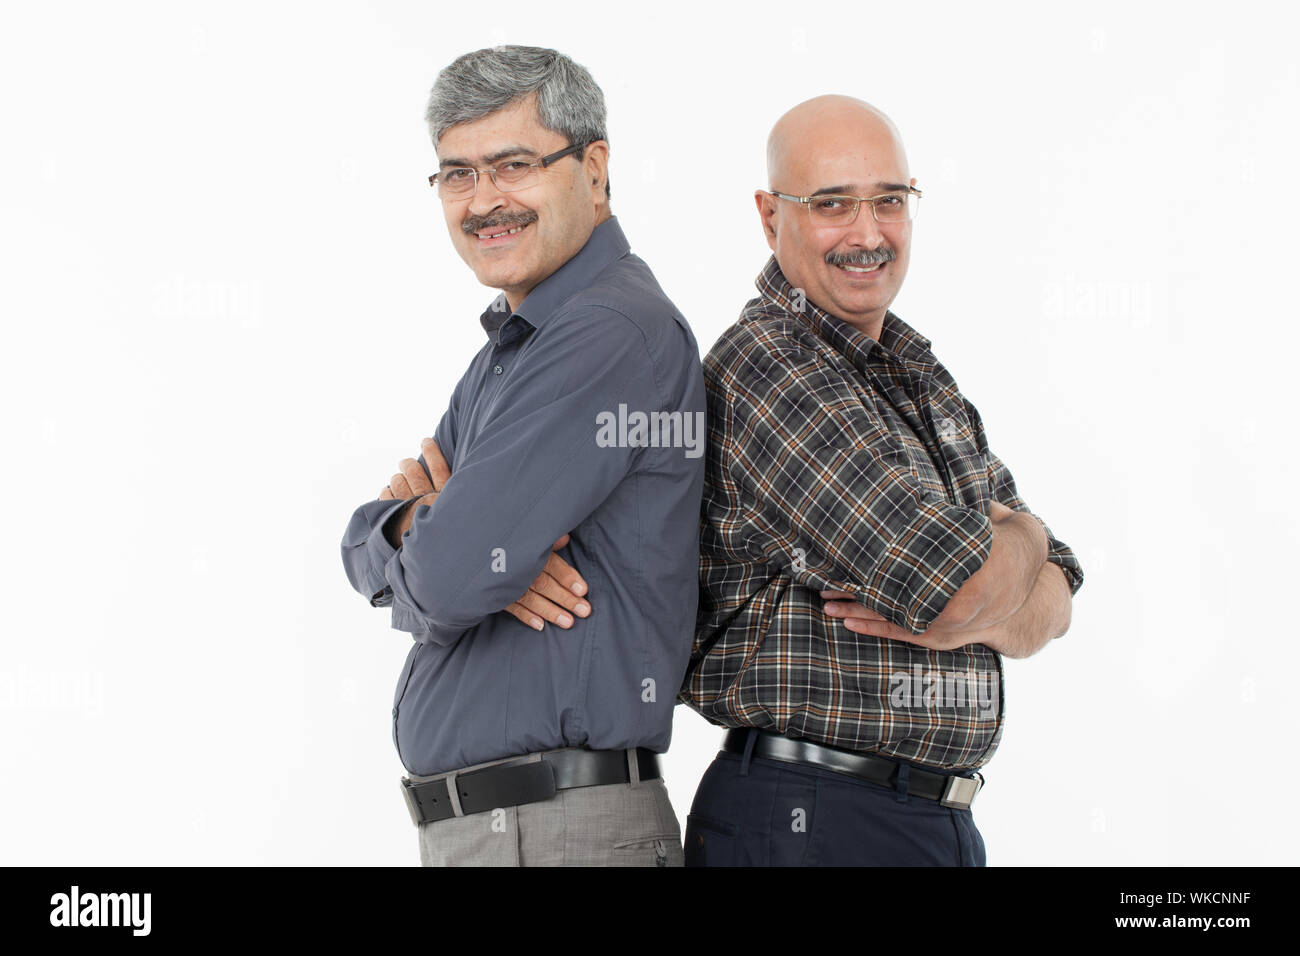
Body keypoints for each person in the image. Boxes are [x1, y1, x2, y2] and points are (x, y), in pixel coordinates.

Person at [679, 95, 1084, 866]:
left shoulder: (916, 375)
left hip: (928, 820)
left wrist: (980, 601)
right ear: (771, 217)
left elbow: (1056, 602)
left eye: (889, 201)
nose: (868, 235)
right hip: (813, 818)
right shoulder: (770, 368)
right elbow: (962, 582)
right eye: (831, 204)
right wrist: (1019, 541)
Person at [340, 46, 705, 866]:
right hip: (516, 834)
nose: (483, 201)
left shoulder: (607, 332)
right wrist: (417, 523)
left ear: (596, 169)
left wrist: (461, 548)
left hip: (559, 832)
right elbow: (371, 540)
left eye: (512, 164)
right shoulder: (515, 347)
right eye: (457, 174)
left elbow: (451, 573)